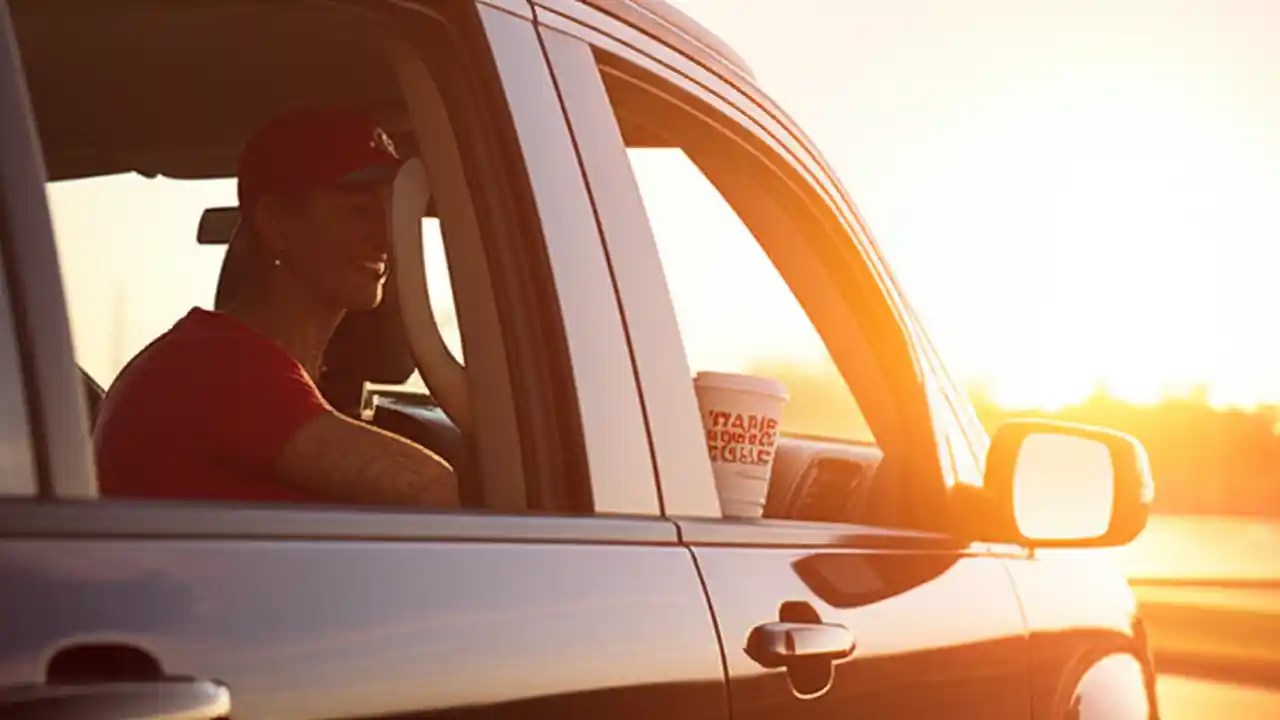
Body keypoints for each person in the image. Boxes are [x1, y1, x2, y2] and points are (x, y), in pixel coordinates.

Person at [94, 106, 458, 507]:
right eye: (358, 211)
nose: (385, 236)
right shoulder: (219, 365)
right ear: (276, 224)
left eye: (389, 211)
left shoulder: (240, 366)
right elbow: (426, 487)